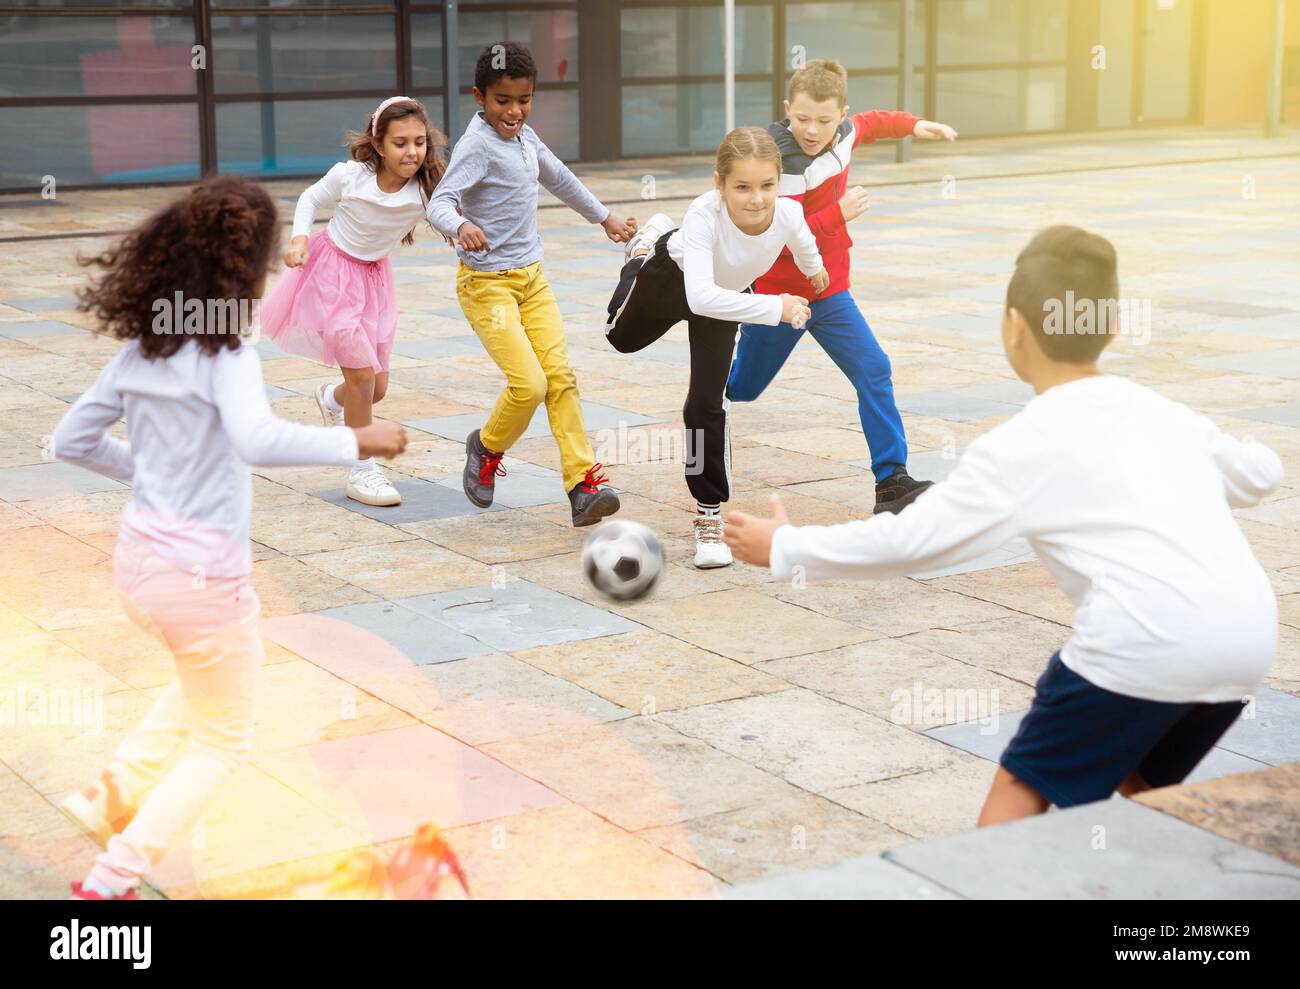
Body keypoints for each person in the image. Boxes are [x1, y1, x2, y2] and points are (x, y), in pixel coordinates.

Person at [726, 226, 1282, 823]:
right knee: (1138, 788)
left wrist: (787, 546)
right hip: (1246, 642)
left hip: (1142, 644)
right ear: (1111, 329)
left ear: (1012, 328)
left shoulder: (1025, 443)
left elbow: (913, 541)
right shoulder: (1165, 414)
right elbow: (1259, 473)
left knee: (1023, 787)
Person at [54, 177, 410, 899]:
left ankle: (108, 792)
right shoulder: (227, 357)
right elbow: (255, 438)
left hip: (139, 568)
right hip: (202, 578)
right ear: (246, 270)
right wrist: (356, 440)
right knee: (225, 739)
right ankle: (113, 877)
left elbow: (70, 440)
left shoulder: (141, 354)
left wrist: (150, 475)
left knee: (204, 676)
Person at [426, 41, 637, 526]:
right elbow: (439, 202)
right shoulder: (476, 146)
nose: (515, 110)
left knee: (560, 379)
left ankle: (583, 486)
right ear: (480, 96)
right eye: (503, 100)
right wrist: (460, 226)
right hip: (488, 287)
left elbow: (559, 177)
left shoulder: (524, 139)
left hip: (532, 280)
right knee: (530, 385)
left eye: (524, 99)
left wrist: (604, 218)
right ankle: (485, 447)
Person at [606, 126, 827, 568]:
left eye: (767, 185)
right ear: (719, 184)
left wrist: (816, 270)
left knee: (705, 405)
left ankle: (709, 519)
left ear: (779, 182)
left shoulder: (787, 213)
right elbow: (699, 296)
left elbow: (804, 243)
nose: (756, 198)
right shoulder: (705, 213)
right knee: (620, 339)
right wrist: (774, 307)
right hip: (672, 277)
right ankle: (643, 247)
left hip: (723, 300)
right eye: (741, 187)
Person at [261, 96, 446, 507]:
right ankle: (362, 469)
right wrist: (299, 240)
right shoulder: (351, 176)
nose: (412, 152)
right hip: (332, 275)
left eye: (419, 142)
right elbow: (310, 199)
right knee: (363, 379)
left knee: (375, 387)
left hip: (374, 281)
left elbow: (456, 209)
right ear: (379, 145)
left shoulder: (427, 189)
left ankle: (330, 398)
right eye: (400, 143)